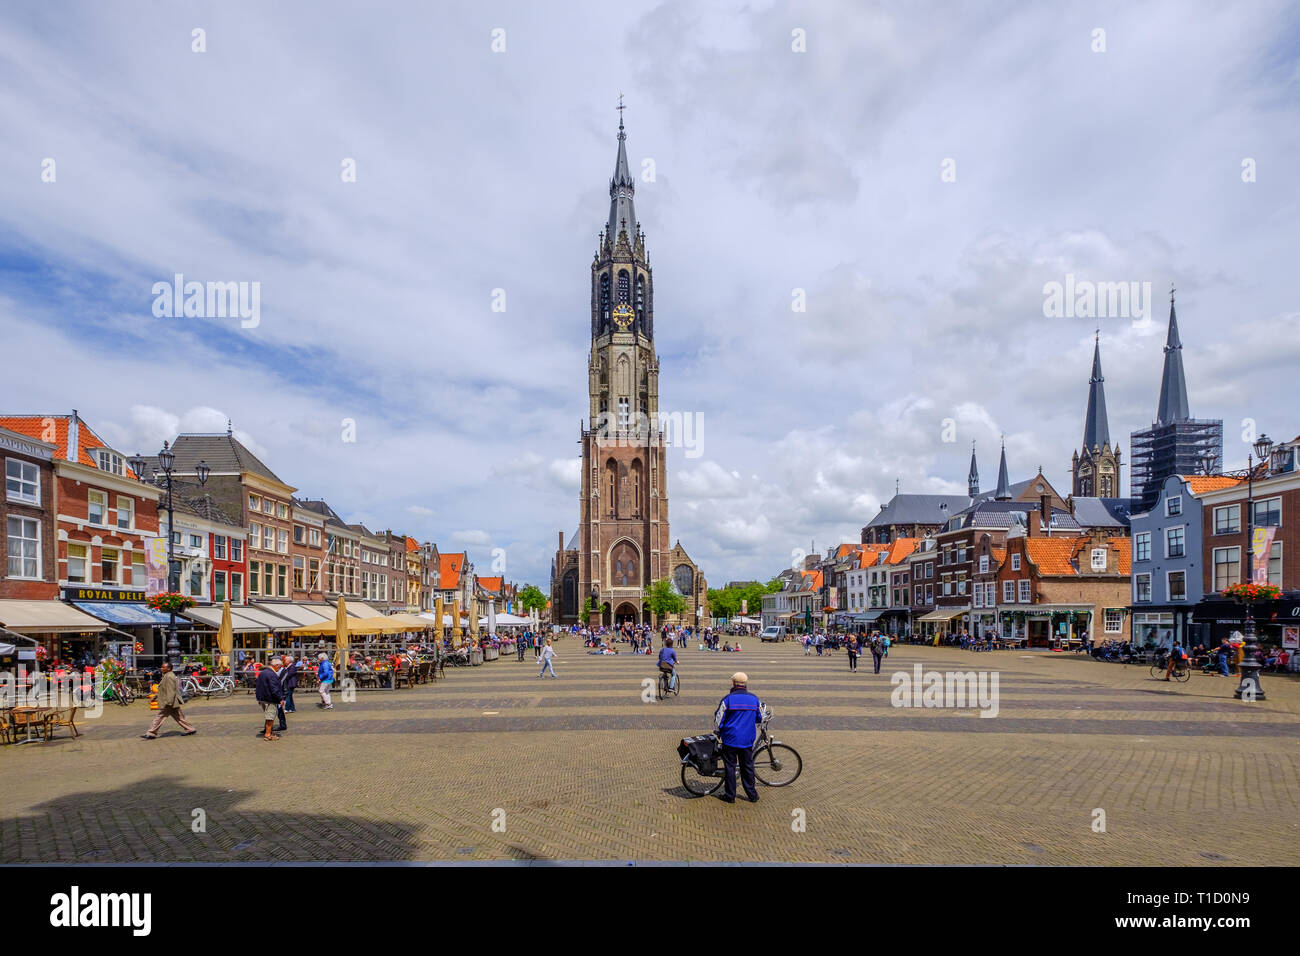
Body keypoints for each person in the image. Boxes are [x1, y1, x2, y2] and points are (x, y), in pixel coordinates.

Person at [713, 672, 762, 804]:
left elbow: (719, 719)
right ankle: (752, 795)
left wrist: (718, 731)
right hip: (747, 739)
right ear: (745, 683)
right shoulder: (754, 699)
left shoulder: (728, 699)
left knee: (730, 767)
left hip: (730, 739)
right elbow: (759, 717)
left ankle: (730, 795)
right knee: (747, 766)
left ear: (733, 683)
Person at [140, 662, 196, 739]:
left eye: (163, 667)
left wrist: (169, 702)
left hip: (169, 702)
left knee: (159, 717)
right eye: (161, 667)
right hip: (171, 702)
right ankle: (190, 729)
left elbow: (171, 691)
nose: (161, 668)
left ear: (169, 668)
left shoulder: (169, 677)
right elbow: (163, 690)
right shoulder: (167, 676)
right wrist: (154, 697)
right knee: (179, 717)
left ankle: (151, 733)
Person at [256, 656, 285, 740]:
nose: (279, 669)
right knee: (270, 717)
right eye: (279, 667)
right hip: (270, 699)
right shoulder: (271, 674)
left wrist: (259, 698)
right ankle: (268, 734)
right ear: (276, 665)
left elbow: (258, 686)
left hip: (263, 698)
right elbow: (274, 688)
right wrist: (280, 699)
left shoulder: (263, 672)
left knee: (268, 716)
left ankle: (268, 732)